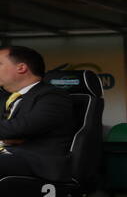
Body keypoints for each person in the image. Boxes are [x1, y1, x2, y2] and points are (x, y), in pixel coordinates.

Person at [0, 45, 79, 181]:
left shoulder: (53, 96)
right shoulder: (5, 97)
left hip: (36, 162)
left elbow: (23, 127)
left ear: (21, 68)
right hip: (9, 155)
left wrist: (9, 136)